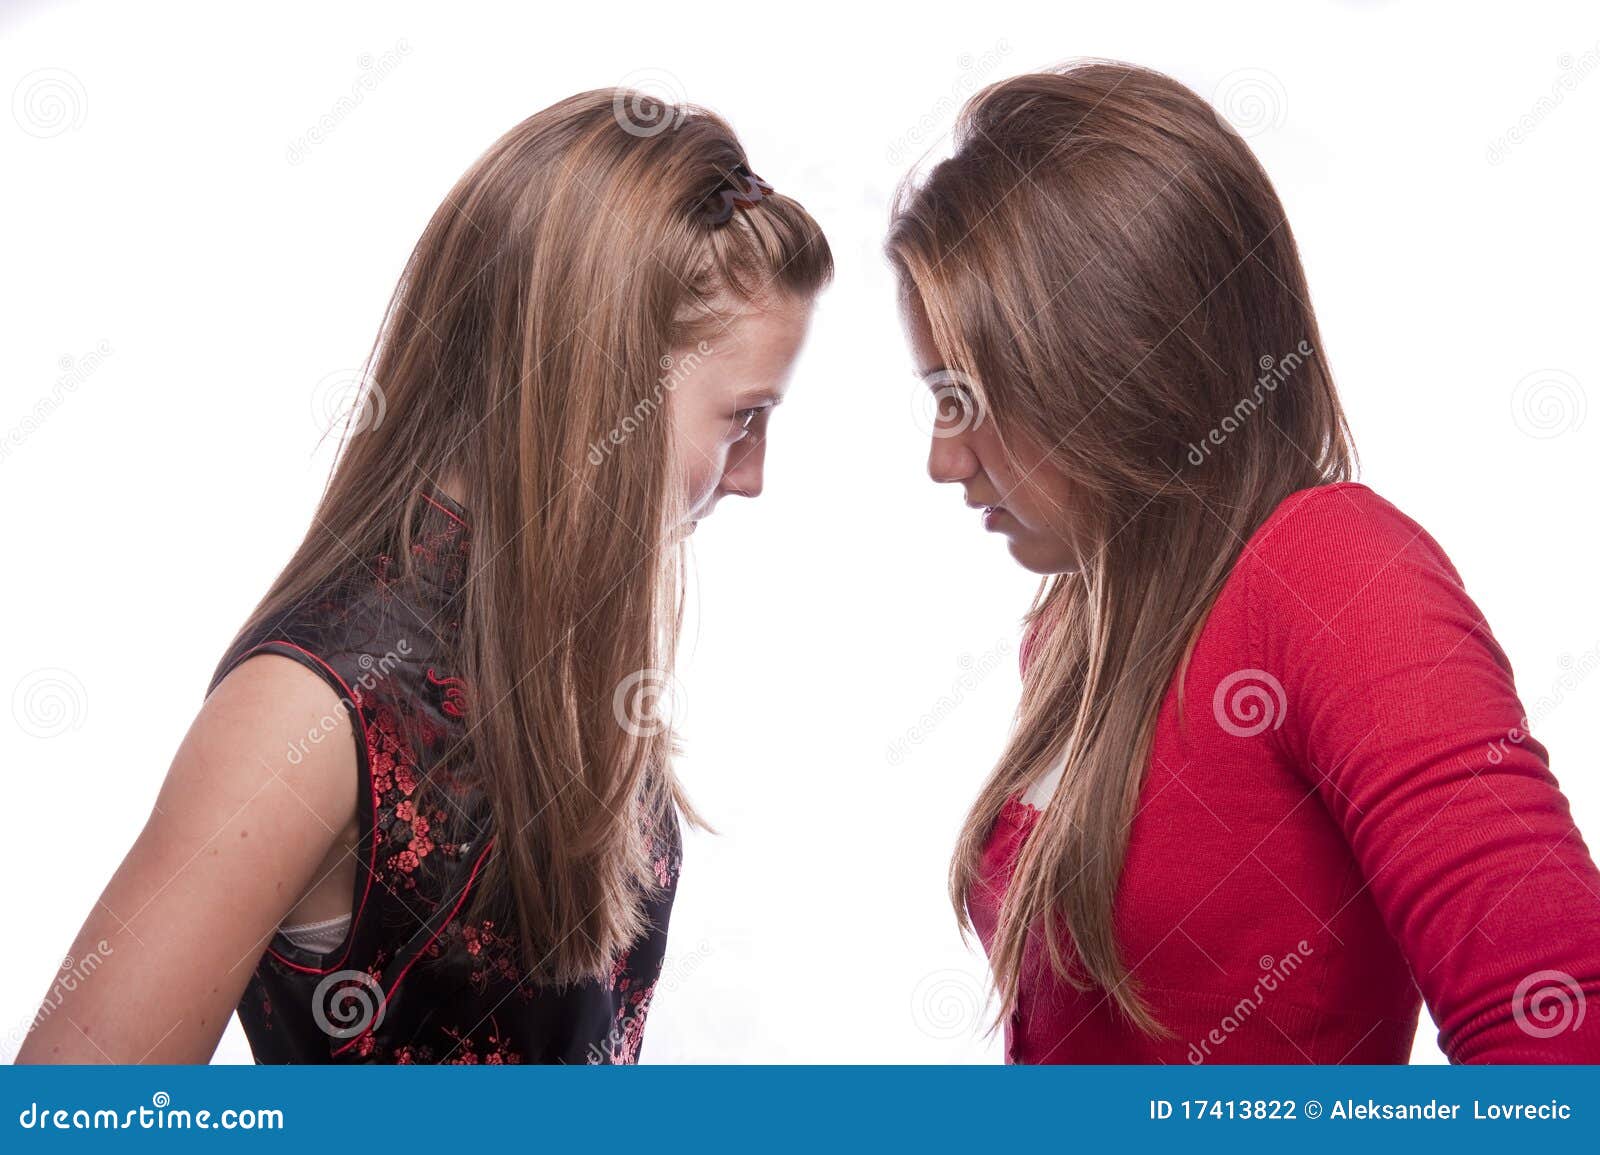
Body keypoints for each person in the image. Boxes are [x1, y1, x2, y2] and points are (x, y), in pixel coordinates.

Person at [18, 89, 831, 1064]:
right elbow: (74, 1114)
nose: (752, 475)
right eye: (743, 418)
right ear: (601, 388)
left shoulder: (554, 653)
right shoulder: (307, 710)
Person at [887, 60, 1600, 1063]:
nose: (943, 459)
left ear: (1109, 363)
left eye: (964, 396)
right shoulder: (1075, 623)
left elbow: (1563, 1034)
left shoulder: (1334, 571)